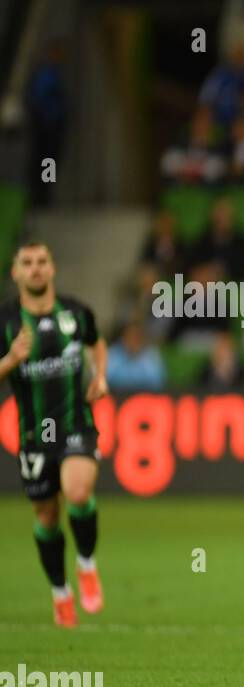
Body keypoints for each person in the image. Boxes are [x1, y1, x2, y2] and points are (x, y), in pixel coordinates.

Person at [0, 241, 108, 626]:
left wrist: (100, 374)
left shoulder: (76, 312)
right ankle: (61, 593)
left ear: (53, 268)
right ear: (15, 272)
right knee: (47, 517)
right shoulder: (6, 323)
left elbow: (96, 342)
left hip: (74, 423)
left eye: (42, 261)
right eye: (26, 263)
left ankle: (86, 564)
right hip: (33, 436)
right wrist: (11, 360)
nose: (35, 269)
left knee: (78, 492)